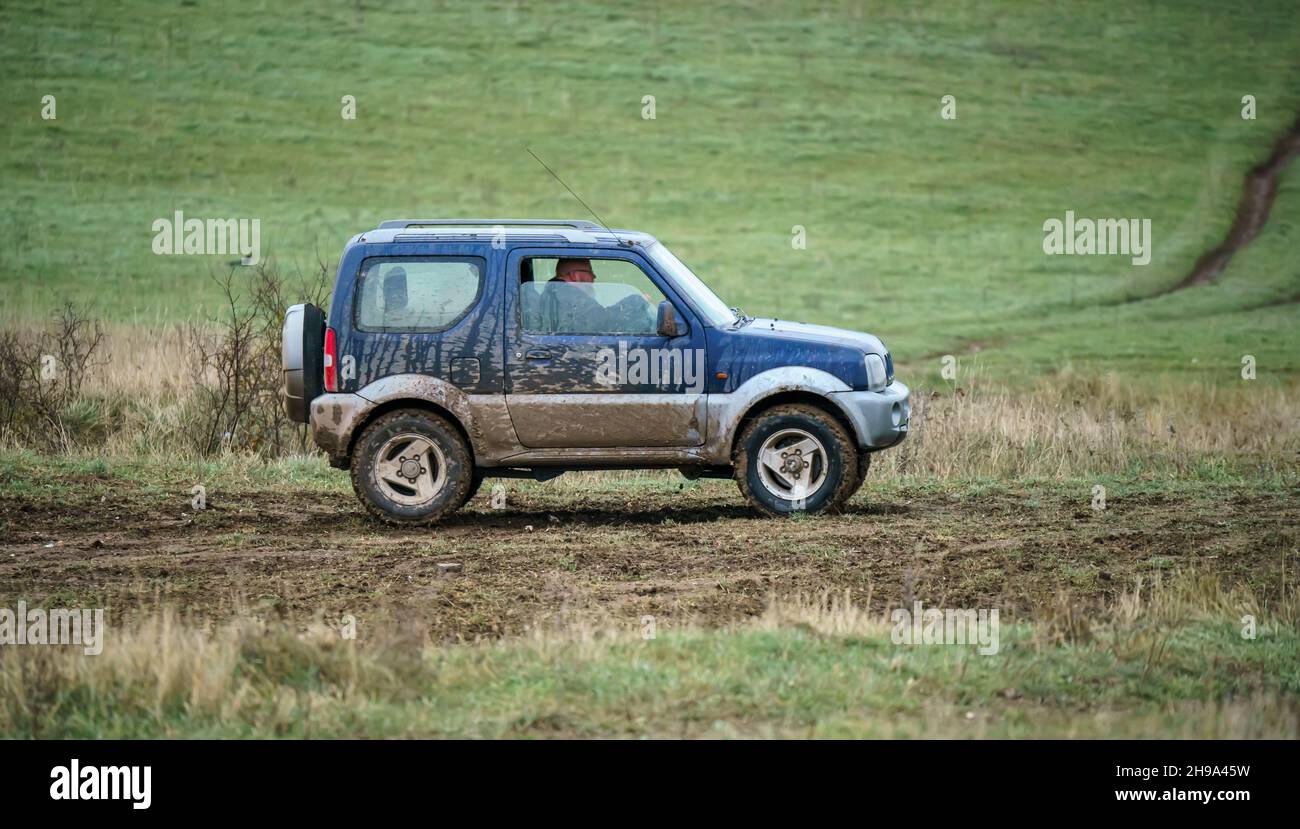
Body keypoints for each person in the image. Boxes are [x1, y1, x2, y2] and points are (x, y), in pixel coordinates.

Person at [539, 258, 654, 333]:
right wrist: (638, 301)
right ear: (575, 275)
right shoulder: (568, 295)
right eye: (590, 271)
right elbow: (603, 322)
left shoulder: (556, 293)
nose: (594, 276)